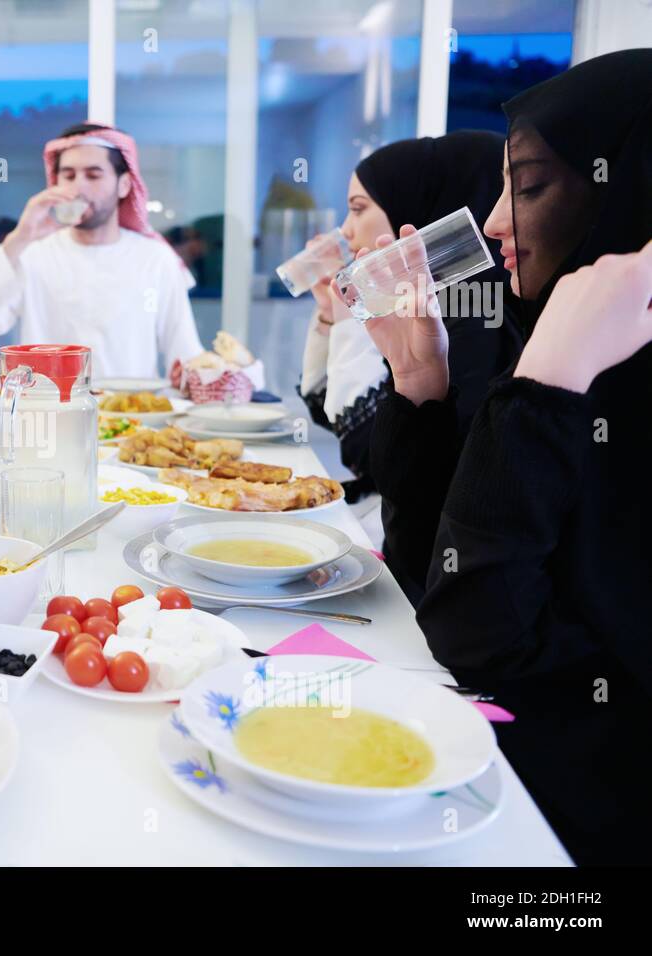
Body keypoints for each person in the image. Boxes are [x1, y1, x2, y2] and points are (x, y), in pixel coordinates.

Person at [358, 49, 652, 864]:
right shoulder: (561, 340)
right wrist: (420, 382)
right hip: (508, 777)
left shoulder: (568, 357)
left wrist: (547, 387)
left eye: (524, 188)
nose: (491, 224)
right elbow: (428, 574)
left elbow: (480, 634)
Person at [298, 131, 520, 543]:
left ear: (416, 211)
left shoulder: (471, 315)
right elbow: (326, 411)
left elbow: (365, 452)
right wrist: (332, 317)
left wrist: (349, 325)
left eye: (358, 210)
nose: (345, 231)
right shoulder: (425, 300)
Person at [0, 122, 204, 378]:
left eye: (93, 175)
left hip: (132, 417)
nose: (78, 186)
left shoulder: (155, 258)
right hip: (46, 417)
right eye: (68, 175)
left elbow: (185, 356)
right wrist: (19, 238)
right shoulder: (33, 254)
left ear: (124, 185)